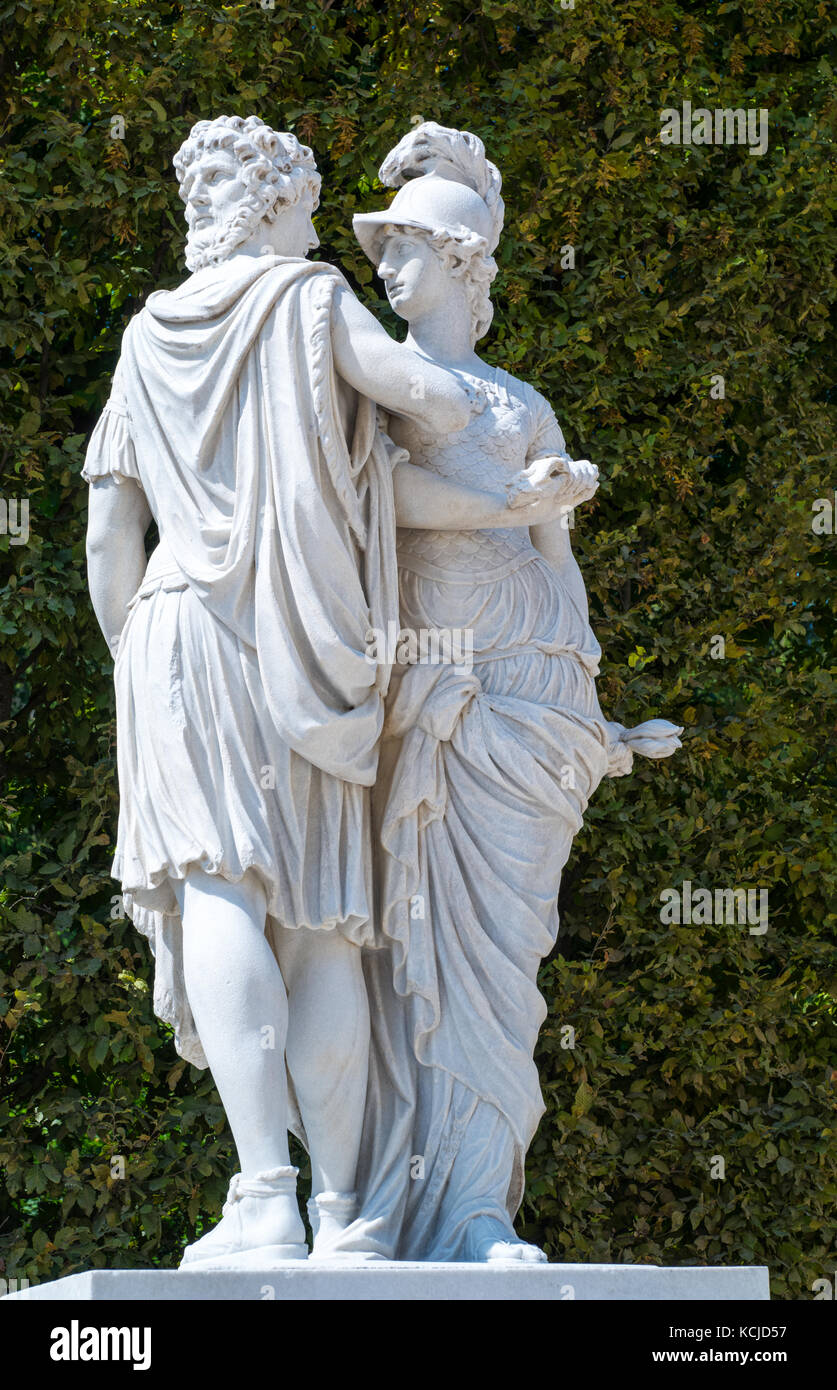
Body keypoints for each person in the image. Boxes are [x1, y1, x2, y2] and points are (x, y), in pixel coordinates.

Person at [82, 115, 549, 1267]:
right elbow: (430, 400)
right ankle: (347, 1213)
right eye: (309, 204)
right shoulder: (306, 299)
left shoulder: (146, 336)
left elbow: (107, 538)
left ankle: (261, 1196)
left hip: (173, 631)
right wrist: (359, 449)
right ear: (278, 207)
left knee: (220, 893)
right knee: (323, 925)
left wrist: (137, 660)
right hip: (298, 646)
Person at [336, 124, 681, 1262]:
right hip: (432, 690)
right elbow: (370, 499)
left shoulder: (522, 400)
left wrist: (594, 712)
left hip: (536, 694)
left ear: (465, 264)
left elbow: (561, 563)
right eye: (383, 248)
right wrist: (513, 507)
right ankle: (391, 1204)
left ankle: (481, 1206)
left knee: (503, 968)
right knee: (420, 956)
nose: (386, 266)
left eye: (407, 248)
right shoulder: (374, 379)